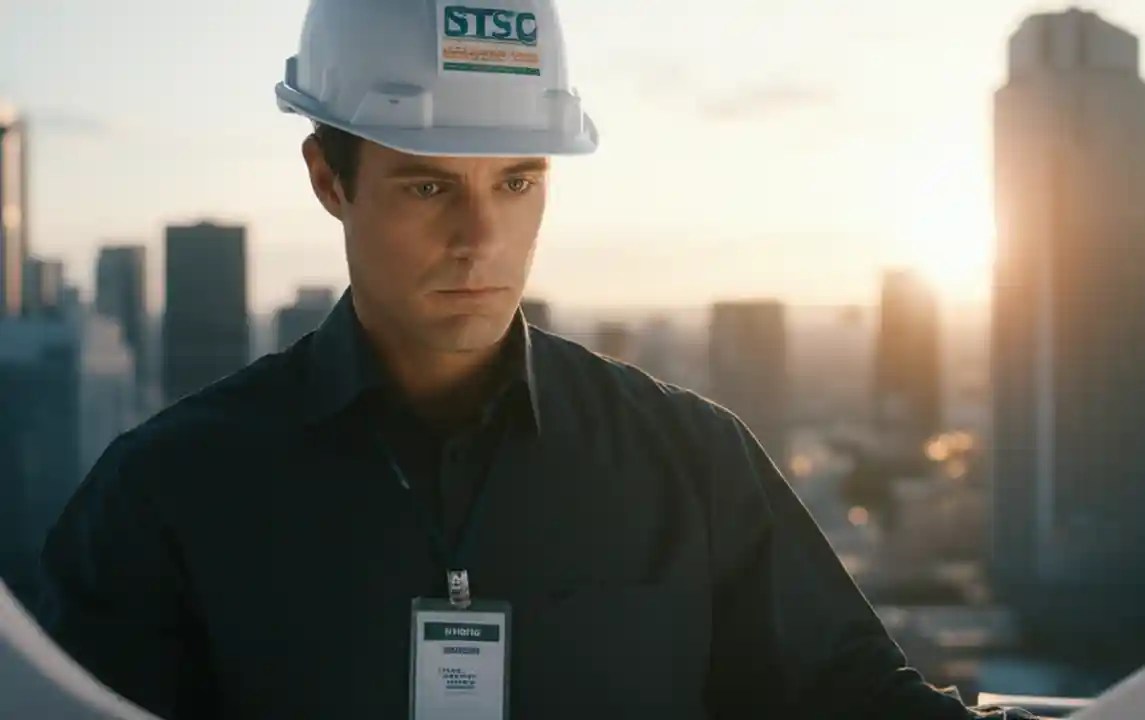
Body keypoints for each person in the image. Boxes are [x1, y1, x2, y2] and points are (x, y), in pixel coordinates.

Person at [34, 1, 1039, 718]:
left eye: (515, 183)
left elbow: (854, 705)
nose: (479, 239)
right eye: (427, 189)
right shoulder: (170, 491)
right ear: (327, 178)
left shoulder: (690, 464)